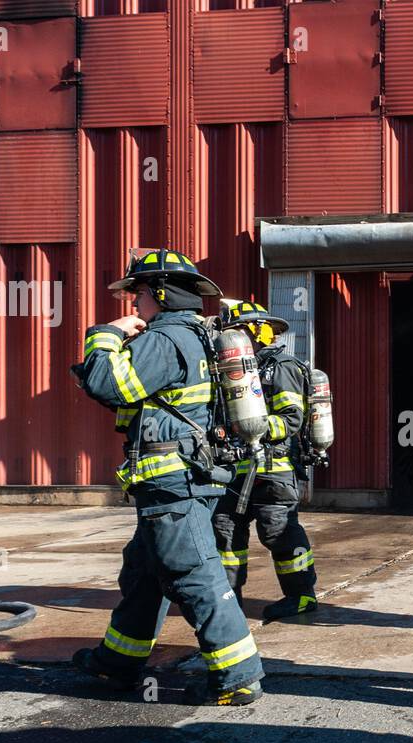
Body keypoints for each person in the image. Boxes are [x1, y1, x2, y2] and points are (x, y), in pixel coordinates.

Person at [71, 249, 264, 706]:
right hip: (185, 477)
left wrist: (104, 335)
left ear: (160, 294)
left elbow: (110, 385)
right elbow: (130, 398)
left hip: (172, 481)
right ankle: (116, 662)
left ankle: (239, 675)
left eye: (138, 293)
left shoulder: (165, 339)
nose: (134, 304)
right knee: (144, 573)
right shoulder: (198, 336)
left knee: (193, 574)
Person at [210, 300, 318, 623]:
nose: (230, 339)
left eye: (237, 331)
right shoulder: (234, 371)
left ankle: (301, 596)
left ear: (257, 331)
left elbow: (292, 419)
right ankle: (230, 599)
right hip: (234, 470)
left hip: (273, 469)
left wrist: (256, 427)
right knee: (225, 532)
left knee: (279, 532)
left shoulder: (282, 367)